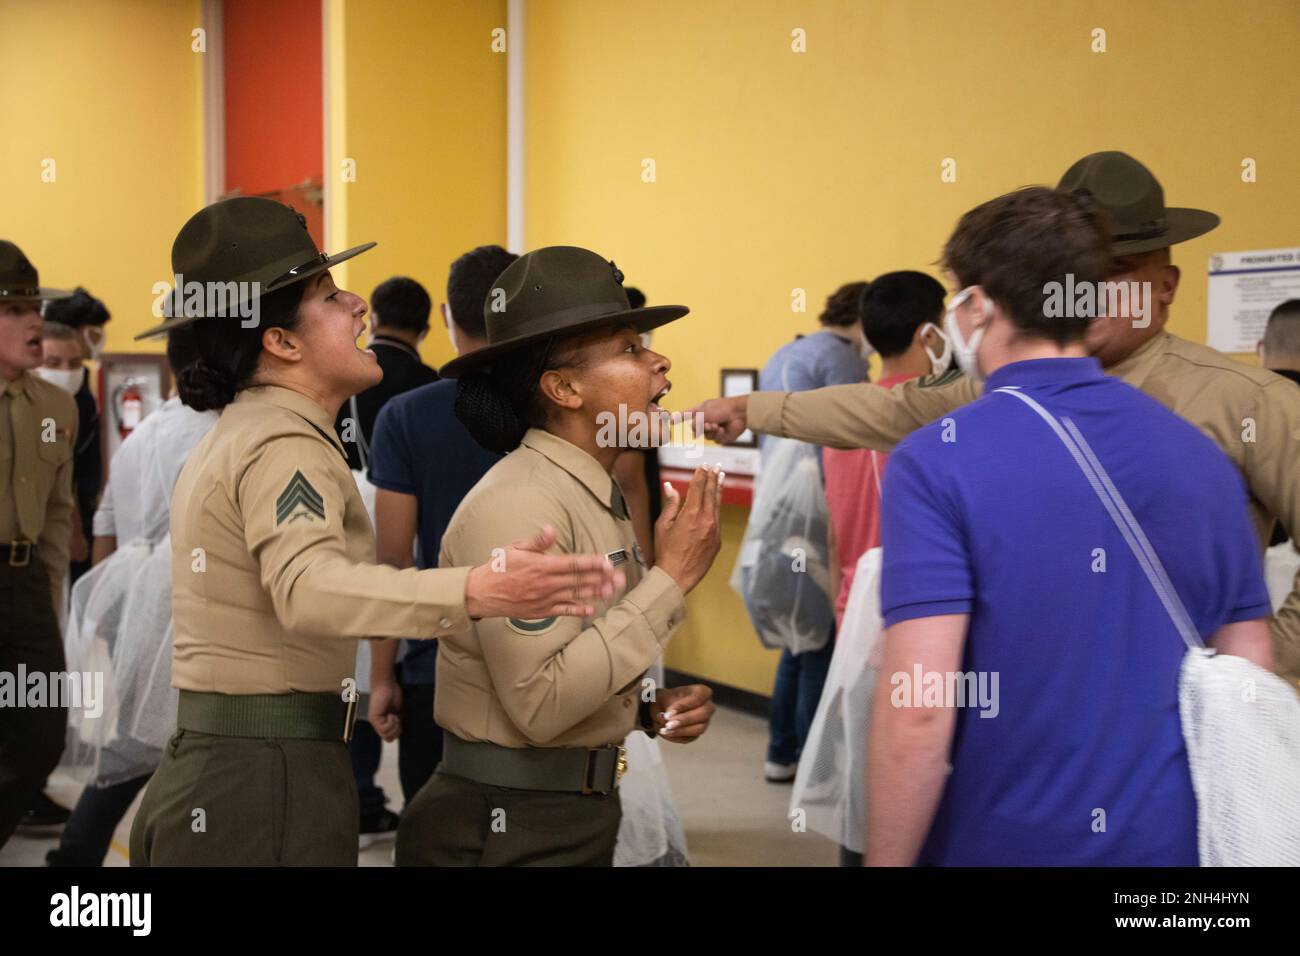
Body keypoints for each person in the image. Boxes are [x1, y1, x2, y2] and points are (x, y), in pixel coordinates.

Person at [126, 199, 626, 866]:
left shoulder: (255, 430)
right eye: (330, 296)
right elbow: (308, 590)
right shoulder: (282, 443)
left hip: (241, 769)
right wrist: (477, 589)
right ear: (281, 341)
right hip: (263, 783)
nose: (359, 304)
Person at [693, 150, 1300, 686]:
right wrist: (754, 408)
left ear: (1165, 286)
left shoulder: (1251, 402)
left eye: (1112, 276)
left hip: (1186, 711)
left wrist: (1259, 664)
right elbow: (891, 406)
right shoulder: (1005, 390)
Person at [865, 185, 1273, 865]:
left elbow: (920, 708)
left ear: (979, 306)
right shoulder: (1202, 457)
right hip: (1177, 851)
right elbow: (1247, 668)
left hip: (1006, 840)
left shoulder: (936, 464)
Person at [395, 245, 721, 867]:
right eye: (630, 349)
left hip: (565, 808)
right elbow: (540, 704)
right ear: (564, 387)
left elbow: (575, 660)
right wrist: (672, 578)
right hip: (509, 822)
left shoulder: (589, 491)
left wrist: (644, 710)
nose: (660, 362)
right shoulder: (519, 505)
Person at [361, 245, 517, 843]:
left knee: (438, 842)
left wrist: (382, 676)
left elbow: (393, 563)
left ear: (448, 316)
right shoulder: (562, 408)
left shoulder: (406, 417)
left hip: (440, 664)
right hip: (550, 660)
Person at [46, 325, 215, 867]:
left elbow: (106, 527)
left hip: (134, 600)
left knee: (137, 742)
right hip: (188, 603)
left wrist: (110, 614)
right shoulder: (218, 430)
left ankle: (77, 856)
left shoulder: (139, 435)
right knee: (177, 746)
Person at [752, 280, 869, 784]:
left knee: (797, 638)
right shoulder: (843, 361)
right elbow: (851, 443)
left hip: (776, 517)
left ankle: (780, 751)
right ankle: (814, 770)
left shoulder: (786, 351)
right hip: (817, 518)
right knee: (820, 640)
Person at [0, 240, 77, 850]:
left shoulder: (56, 405)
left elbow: (56, 518)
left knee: (41, 732)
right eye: (13, 309)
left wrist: (48, 604)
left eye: (34, 306)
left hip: (23, 584)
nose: (34, 321)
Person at [823, 272, 946, 630]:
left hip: (853, 612)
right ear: (930, 334)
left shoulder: (839, 417)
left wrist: (840, 611)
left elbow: (833, 537)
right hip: (916, 615)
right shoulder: (940, 417)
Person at [332, 275, 438, 472]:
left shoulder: (339, 376)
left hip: (346, 497)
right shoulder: (435, 385)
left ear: (373, 321)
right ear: (424, 331)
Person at [43, 288, 109, 587]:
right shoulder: (45, 399)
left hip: (80, 505)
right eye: (93, 333)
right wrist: (74, 529)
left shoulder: (79, 385)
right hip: (64, 516)